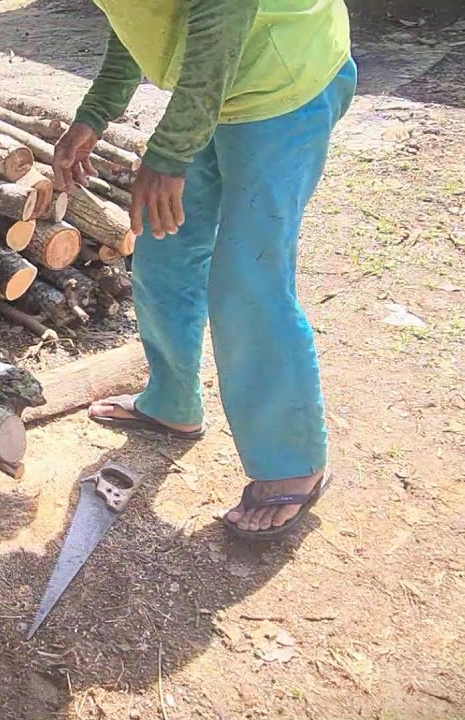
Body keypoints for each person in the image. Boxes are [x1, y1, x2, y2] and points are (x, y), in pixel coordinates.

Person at [51, 0, 356, 541]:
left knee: (248, 278)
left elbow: (222, 14)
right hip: (214, 83)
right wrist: (95, 111)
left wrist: (170, 152)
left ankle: (292, 462)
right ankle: (171, 403)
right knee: (163, 248)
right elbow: (141, 14)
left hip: (281, 86)